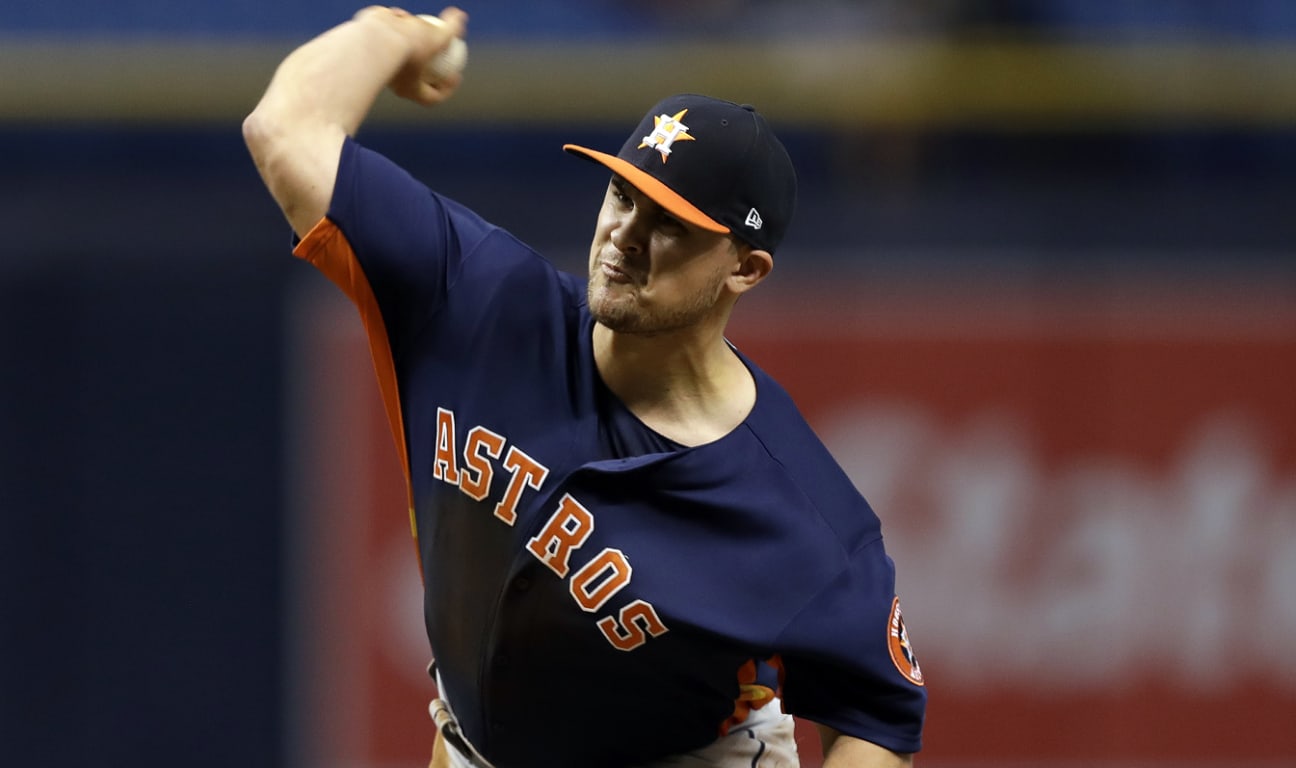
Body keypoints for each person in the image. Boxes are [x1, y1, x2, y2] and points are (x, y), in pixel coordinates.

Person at [243, 6, 927, 767]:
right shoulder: (476, 297)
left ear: (745, 268)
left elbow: (876, 716)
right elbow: (284, 131)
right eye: (624, 194)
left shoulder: (798, 514)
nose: (626, 236)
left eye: (672, 223)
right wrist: (397, 34)